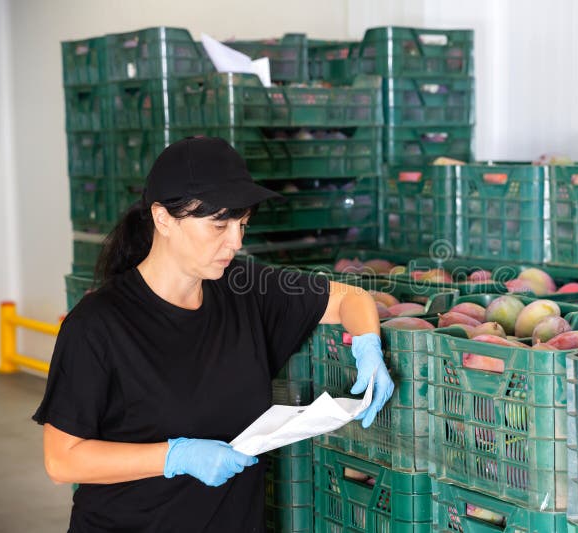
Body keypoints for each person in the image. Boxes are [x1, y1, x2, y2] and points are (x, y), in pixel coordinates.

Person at [33, 136, 394, 532]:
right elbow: (62, 460)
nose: (236, 242)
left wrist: (367, 344)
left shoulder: (245, 288)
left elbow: (349, 298)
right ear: (163, 218)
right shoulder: (98, 324)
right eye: (219, 224)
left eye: (242, 224)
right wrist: (175, 457)